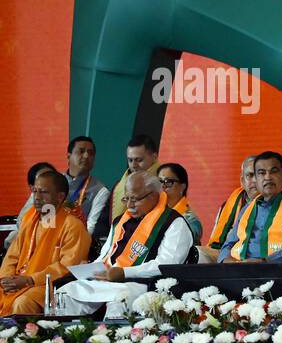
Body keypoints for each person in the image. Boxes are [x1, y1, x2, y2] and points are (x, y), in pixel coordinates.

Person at [54, 172, 194, 318]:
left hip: (144, 284)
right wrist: (91, 268)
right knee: (65, 293)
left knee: (121, 298)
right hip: (110, 280)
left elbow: (167, 266)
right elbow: (106, 255)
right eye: (126, 199)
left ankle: (109, 339)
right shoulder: (121, 221)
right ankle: (70, 339)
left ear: (153, 196)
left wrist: (124, 273)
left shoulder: (174, 223)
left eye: (135, 199)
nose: (129, 205)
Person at [0, 170, 91, 315]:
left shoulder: (72, 226)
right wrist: (6, 280)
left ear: (60, 196)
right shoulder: (29, 220)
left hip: (48, 287)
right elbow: (12, 256)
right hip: (17, 283)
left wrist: (30, 280)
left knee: (22, 303)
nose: (37, 197)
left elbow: (68, 267)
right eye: (35, 191)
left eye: (43, 192)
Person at [217, 151, 282, 263]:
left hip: (279, 273)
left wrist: (265, 262)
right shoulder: (248, 208)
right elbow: (228, 245)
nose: (268, 177)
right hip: (240, 271)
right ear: (256, 178)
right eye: (261, 173)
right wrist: (226, 261)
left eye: (273, 172)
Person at [206, 156, 257, 258]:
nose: (255, 180)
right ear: (242, 181)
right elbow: (215, 242)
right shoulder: (228, 204)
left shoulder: (271, 204)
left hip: (254, 255)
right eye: (250, 175)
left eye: (258, 175)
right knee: (196, 253)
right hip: (225, 253)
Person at [64, 137, 110, 248]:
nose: (86, 156)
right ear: (68, 156)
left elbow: (90, 228)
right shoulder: (52, 182)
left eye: (91, 153)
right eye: (81, 151)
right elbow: (26, 215)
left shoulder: (100, 190)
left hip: (76, 243)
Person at [109, 134, 161, 220]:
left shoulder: (163, 185)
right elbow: (103, 224)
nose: (134, 165)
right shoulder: (118, 186)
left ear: (154, 157)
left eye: (139, 160)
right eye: (130, 160)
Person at [157, 163, 203, 243]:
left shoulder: (191, 220)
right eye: (160, 181)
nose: (163, 186)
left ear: (183, 186)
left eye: (168, 182)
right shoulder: (153, 212)